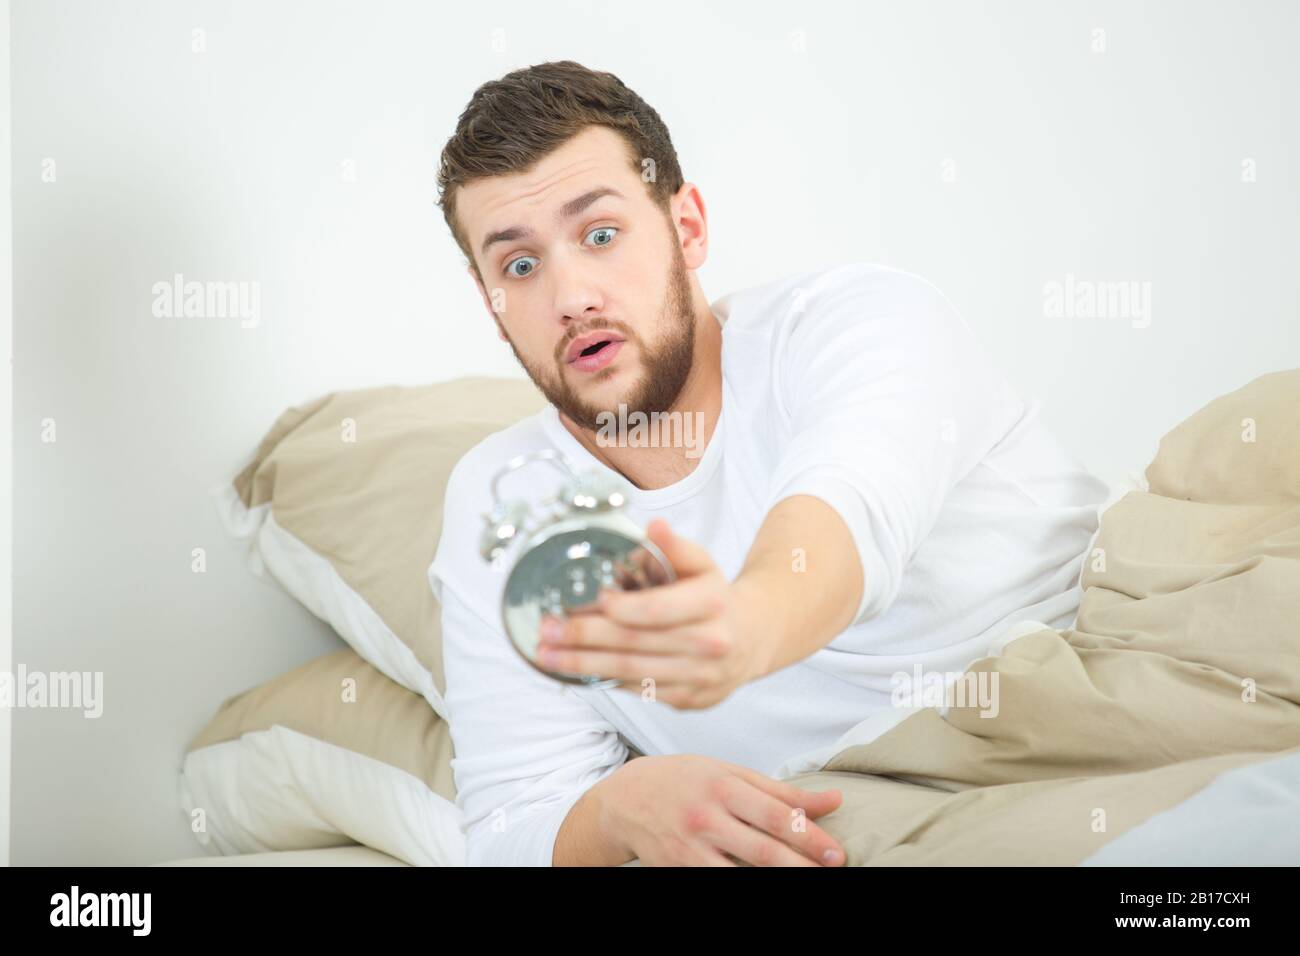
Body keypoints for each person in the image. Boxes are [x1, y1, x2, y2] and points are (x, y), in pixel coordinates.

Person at [428, 60, 1109, 867]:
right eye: (520, 264)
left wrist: (743, 630)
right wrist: (619, 808)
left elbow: (845, 517)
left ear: (687, 229)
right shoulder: (500, 500)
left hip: (1090, 701)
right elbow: (512, 826)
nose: (570, 294)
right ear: (490, 299)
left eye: (601, 235)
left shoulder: (860, 322)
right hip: (852, 812)